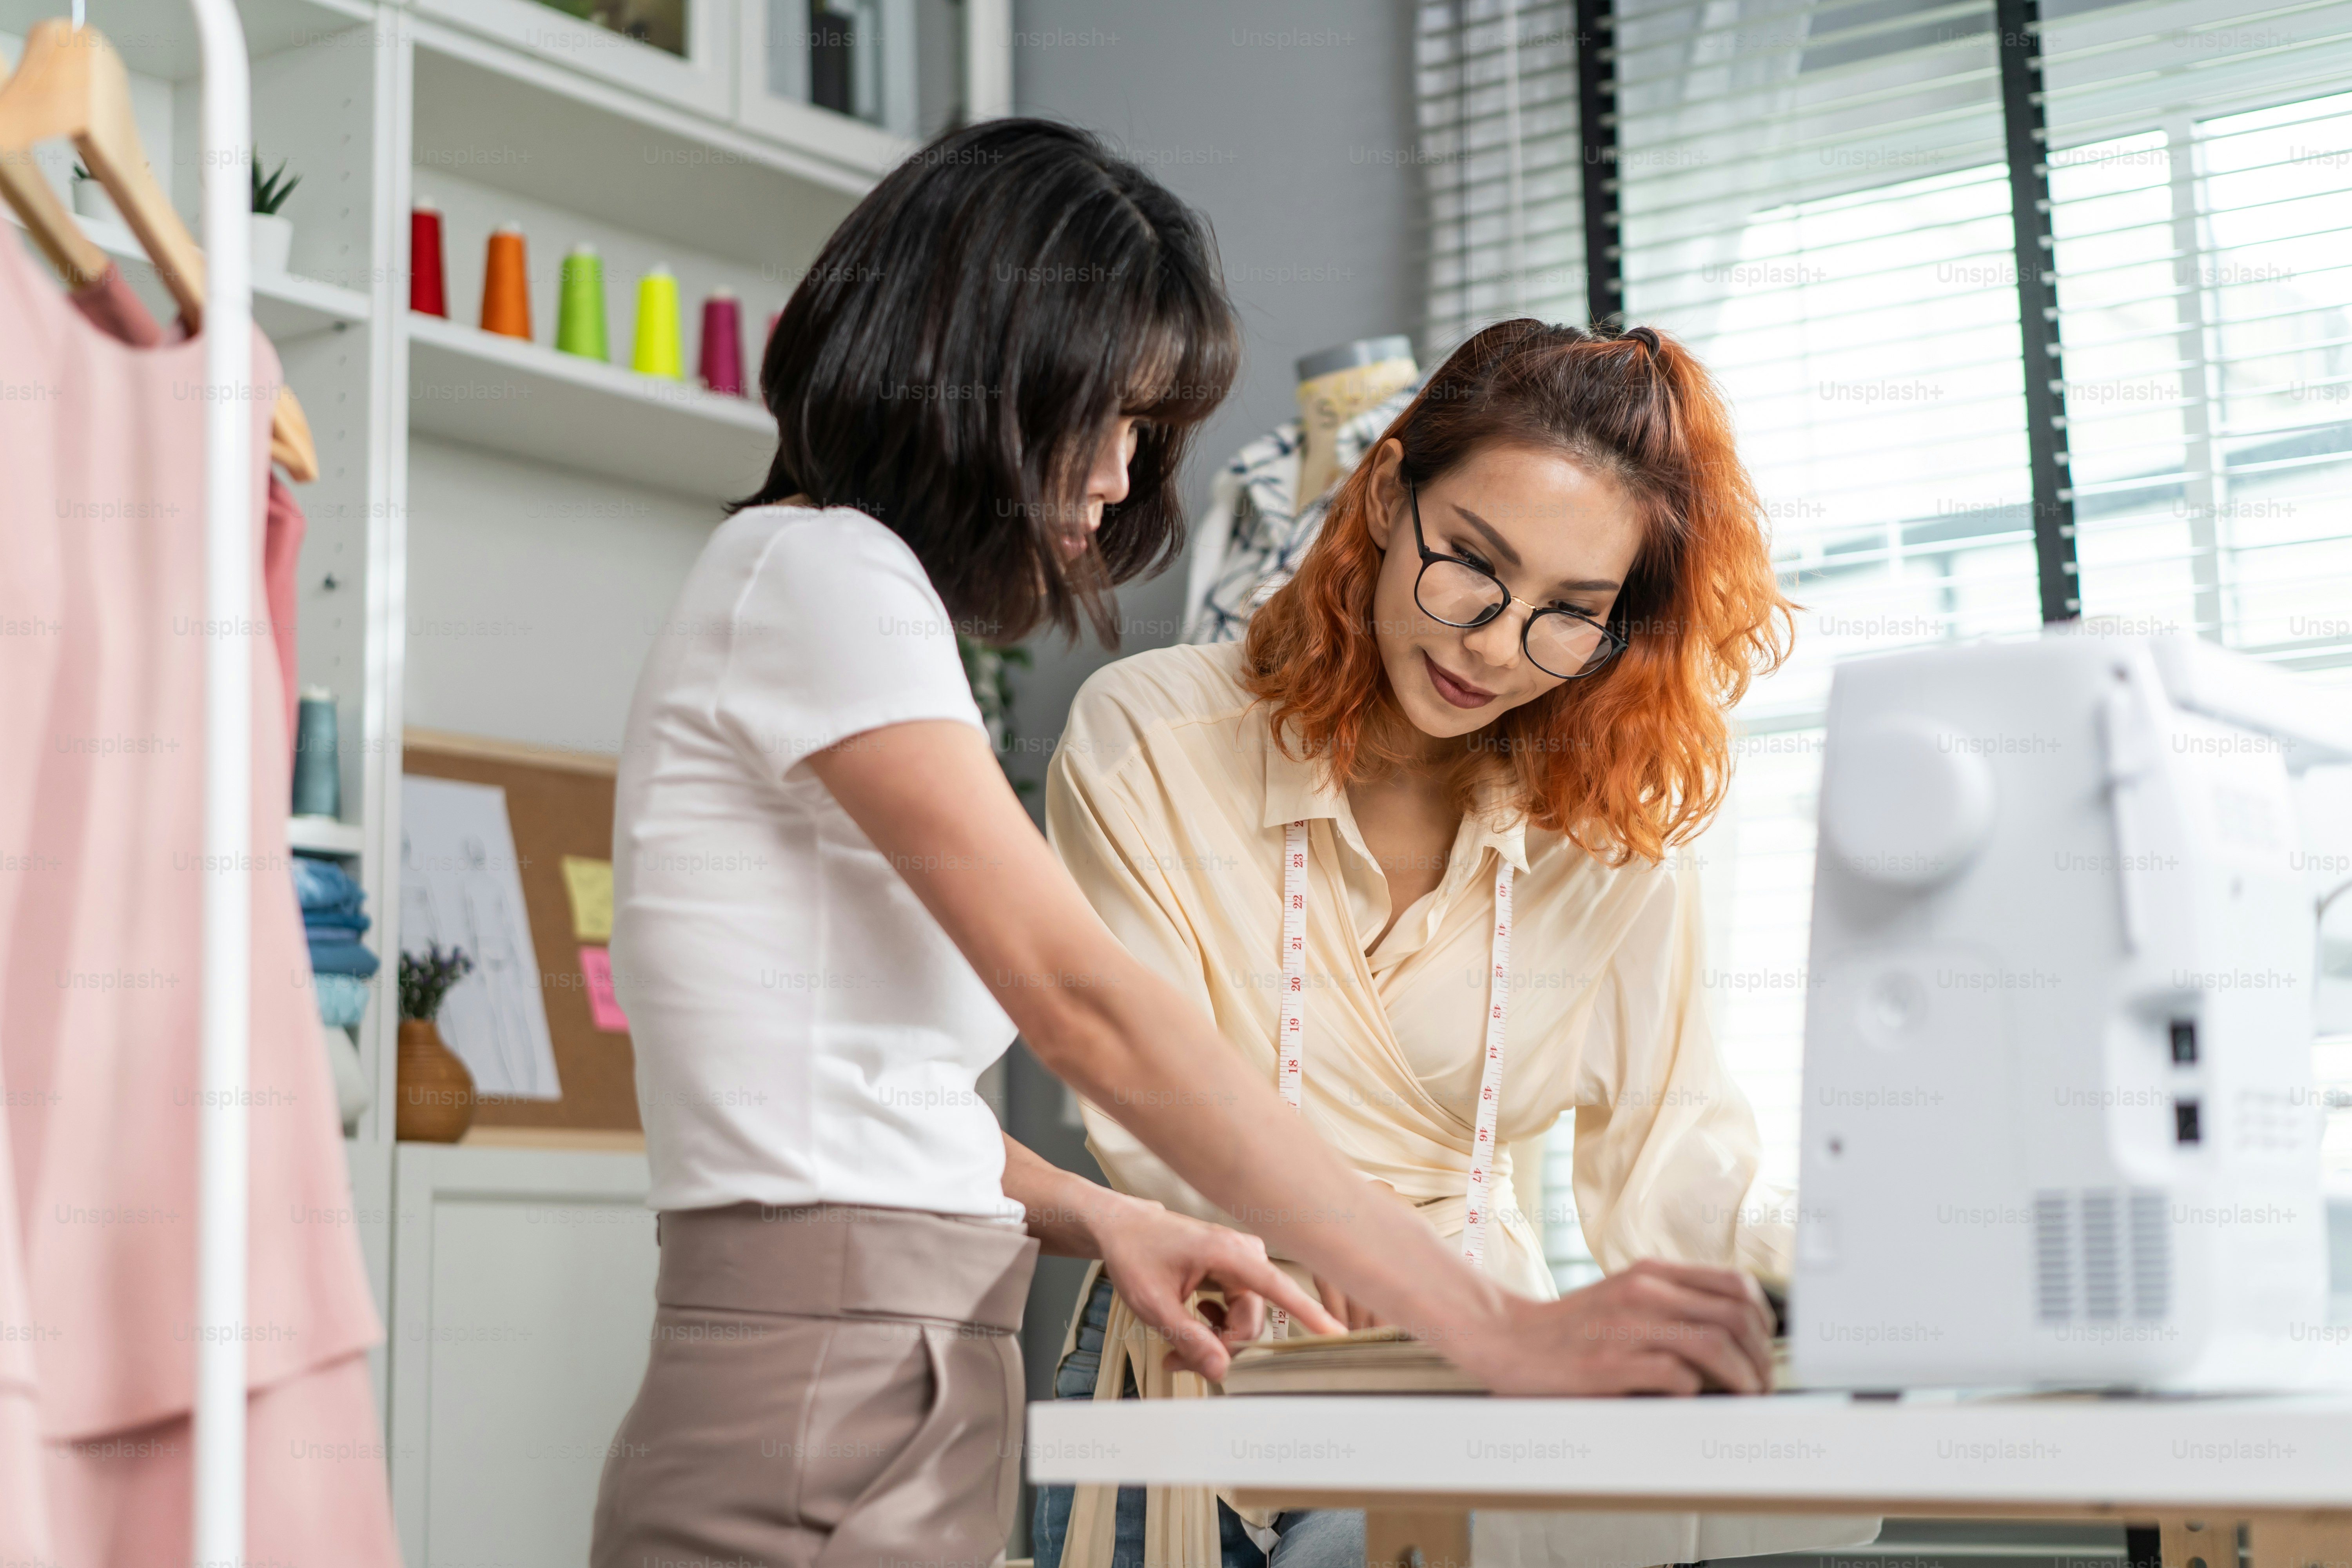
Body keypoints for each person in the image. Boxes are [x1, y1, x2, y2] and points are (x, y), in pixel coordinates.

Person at [591, 120, 1778, 1568]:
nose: (1117, 476)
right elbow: (1090, 1011)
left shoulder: (832, 592)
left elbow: (862, 1099)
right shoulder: (825, 577)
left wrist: (1107, 1221)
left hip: (911, 1351)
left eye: (1149, 432)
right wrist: (1492, 1328)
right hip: (830, 1365)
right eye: (1107, 417)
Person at [1034, 319, 1798, 1568]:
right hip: (1185, 1376)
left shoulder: (1611, 851)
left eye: (1572, 614)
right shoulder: (1154, 739)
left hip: (1450, 1397)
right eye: (1473, 569)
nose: (1496, 645)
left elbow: (1671, 1167)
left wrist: (1811, 1298)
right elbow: (1153, 1097)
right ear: (1389, 495)